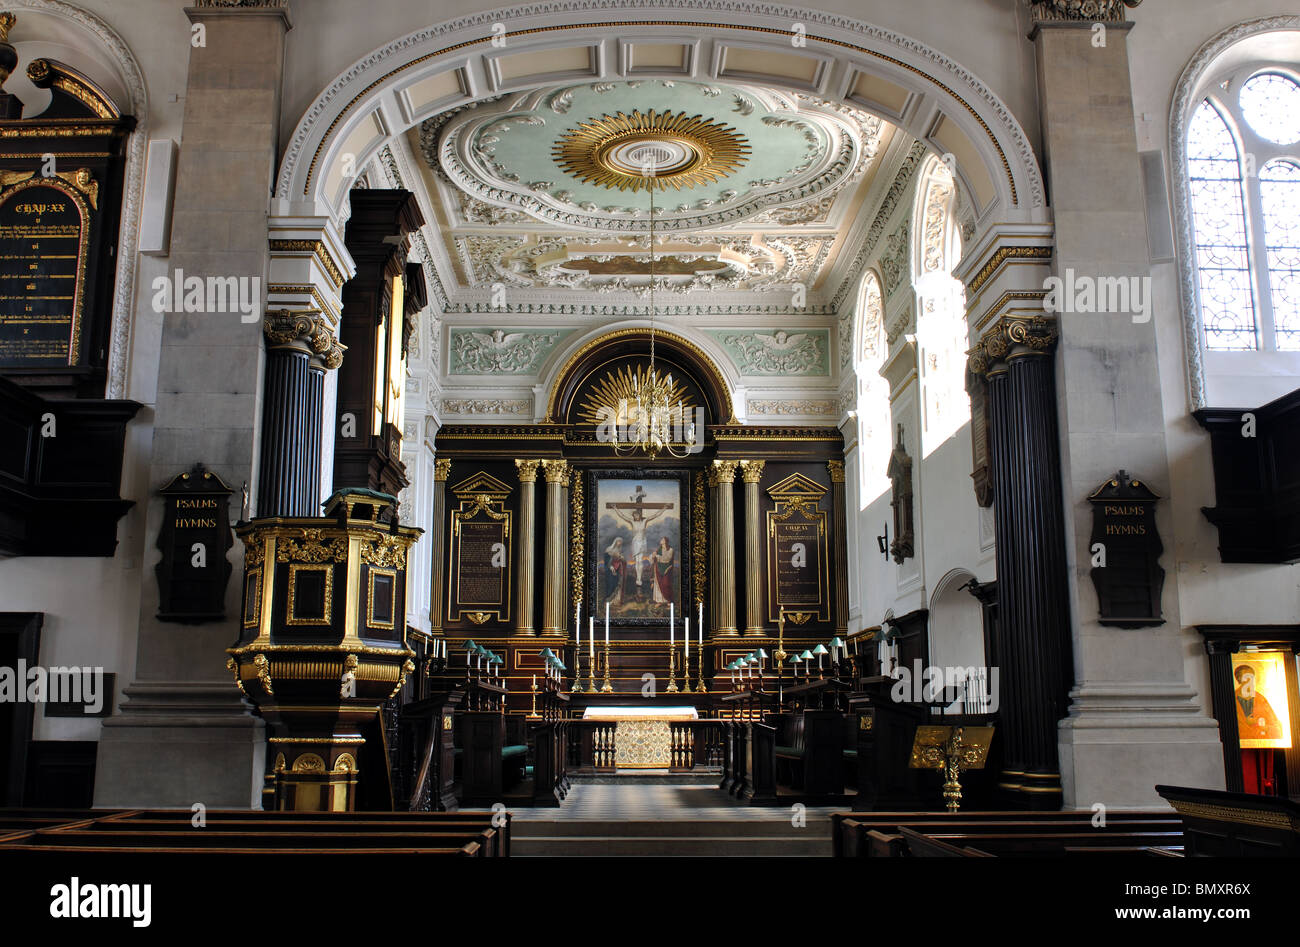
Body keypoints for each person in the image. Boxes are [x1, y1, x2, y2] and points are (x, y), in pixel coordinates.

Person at [1235, 663, 1284, 742]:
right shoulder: (1232, 699)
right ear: (1239, 678)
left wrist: (1261, 725)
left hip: (1261, 742)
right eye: (1246, 677)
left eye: (1252, 677)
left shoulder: (1260, 699)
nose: (1250, 680)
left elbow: (1276, 726)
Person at [649, 535, 675, 607]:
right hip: (658, 569)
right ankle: (659, 601)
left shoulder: (670, 550)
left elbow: (667, 559)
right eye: (661, 540)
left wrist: (657, 556)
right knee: (658, 585)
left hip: (666, 569)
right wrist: (652, 556)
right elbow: (652, 558)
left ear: (665, 541)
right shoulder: (659, 550)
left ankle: (668, 600)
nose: (661, 540)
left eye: (662, 539)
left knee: (666, 584)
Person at [600, 536, 626, 606]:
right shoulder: (609, 549)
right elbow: (606, 560)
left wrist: (621, 559)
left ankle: (614, 601)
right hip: (610, 570)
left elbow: (621, 560)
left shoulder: (619, 551)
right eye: (618, 541)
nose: (619, 543)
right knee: (610, 584)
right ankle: (608, 600)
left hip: (617, 570)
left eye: (621, 542)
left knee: (616, 584)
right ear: (615, 542)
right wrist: (610, 566)